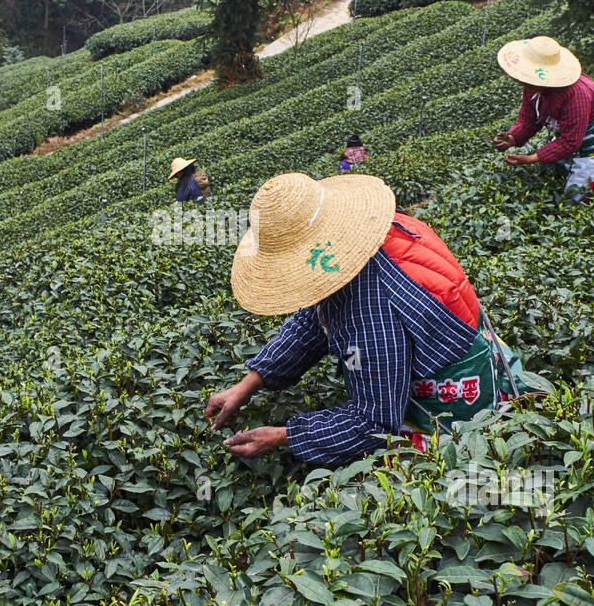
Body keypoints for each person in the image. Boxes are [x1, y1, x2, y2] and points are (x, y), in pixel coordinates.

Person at [205, 172, 524, 467]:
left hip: (453, 396)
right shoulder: (373, 232)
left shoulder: (369, 309)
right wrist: (247, 385)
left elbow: (374, 423)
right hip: (479, 348)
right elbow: (312, 323)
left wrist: (284, 436)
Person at [492, 35, 594, 202]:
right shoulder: (531, 86)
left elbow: (570, 141)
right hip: (570, 138)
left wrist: (531, 158)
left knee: (575, 197)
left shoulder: (576, 94)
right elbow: (528, 120)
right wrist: (512, 137)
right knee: (553, 172)